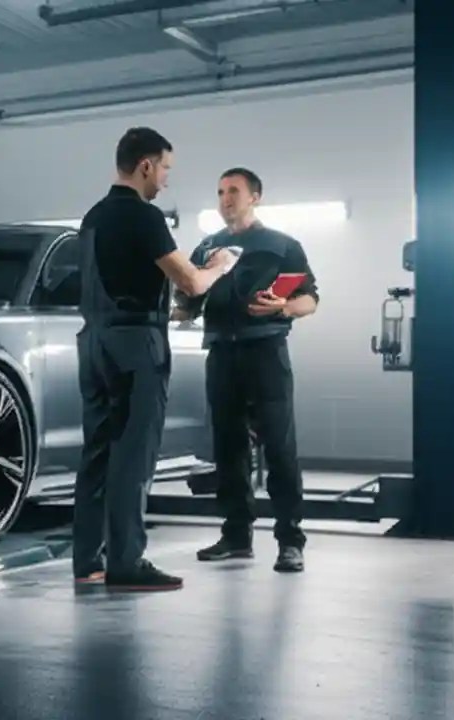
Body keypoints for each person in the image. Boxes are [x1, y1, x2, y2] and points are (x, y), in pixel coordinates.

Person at [73, 127, 237, 591]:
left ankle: (87, 560)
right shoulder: (144, 217)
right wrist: (221, 265)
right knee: (134, 454)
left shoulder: (92, 217)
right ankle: (127, 563)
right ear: (146, 165)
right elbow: (191, 282)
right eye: (165, 168)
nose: (166, 179)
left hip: (93, 342)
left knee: (98, 453)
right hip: (135, 346)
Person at [173, 167, 319, 573]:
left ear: (255, 196)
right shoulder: (207, 248)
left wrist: (284, 307)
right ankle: (236, 536)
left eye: (234, 191)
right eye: (221, 192)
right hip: (221, 353)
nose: (226, 199)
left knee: (279, 447)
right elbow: (188, 303)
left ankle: (290, 541)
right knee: (228, 448)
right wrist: (173, 307)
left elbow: (310, 299)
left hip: (266, 352)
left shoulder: (283, 246)